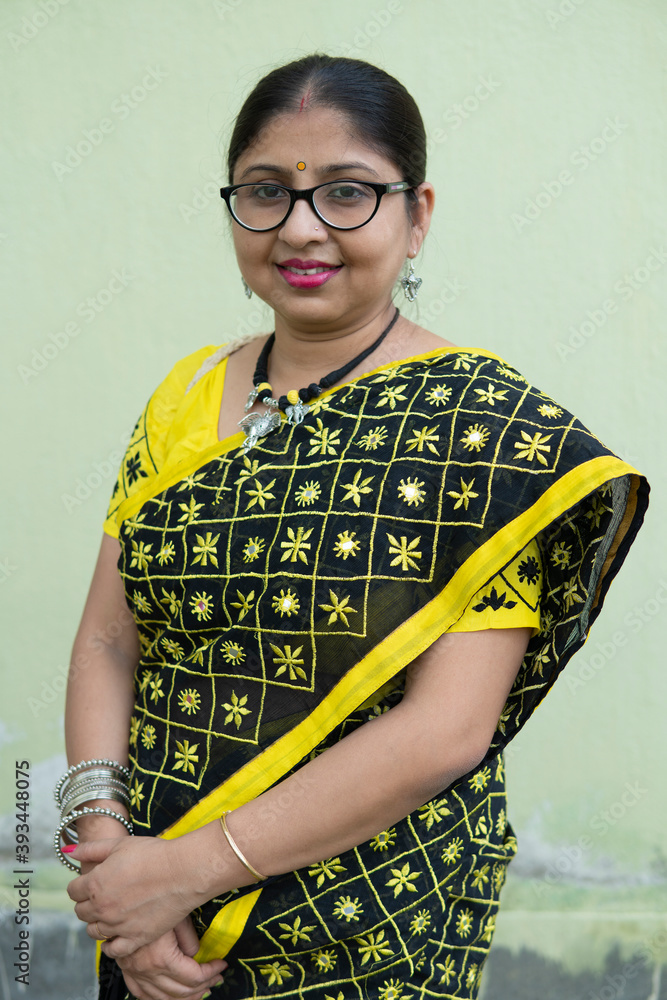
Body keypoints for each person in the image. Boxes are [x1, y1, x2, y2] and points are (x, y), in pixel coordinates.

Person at [59, 54, 648, 1000]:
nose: (300, 228)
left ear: (416, 215)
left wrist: (189, 871)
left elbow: (447, 730)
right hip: (147, 921)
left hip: (364, 926)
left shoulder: (481, 432)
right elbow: (105, 636)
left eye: (347, 194)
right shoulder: (183, 398)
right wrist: (105, 850)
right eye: (265, 192)